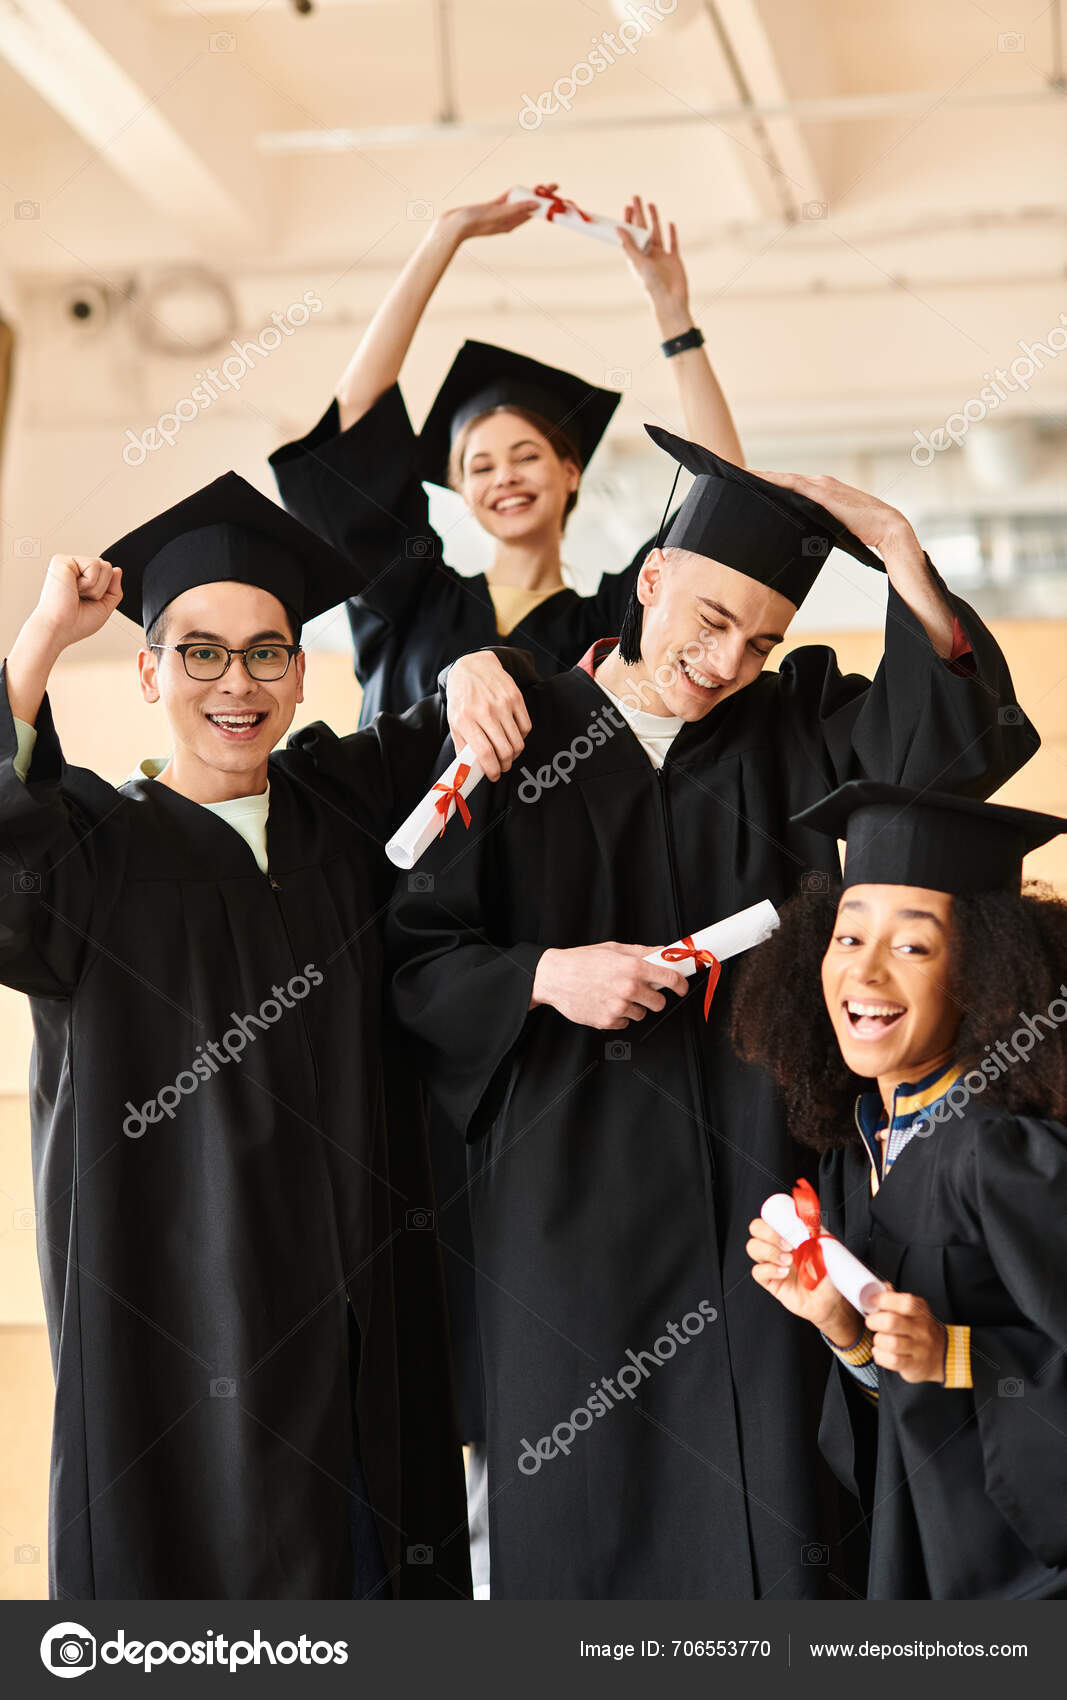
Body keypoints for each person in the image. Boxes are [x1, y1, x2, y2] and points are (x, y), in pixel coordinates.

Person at [384, 424, 1038, 1599]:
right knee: (583, 1507)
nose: (725, 658)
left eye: (760, 638)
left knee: (774, 1507)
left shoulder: (791, 723)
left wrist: (893, 542)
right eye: (707, 620)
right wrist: (542, 974)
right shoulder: (515, 722)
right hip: (565, 1203)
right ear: (649, 578)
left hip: (759, 1188)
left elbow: (951, 751)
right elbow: (416, 959)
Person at [0, 471, 531, 1601]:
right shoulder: (92, 850)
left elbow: (456, 720)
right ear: (147, 671)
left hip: (366, 1327)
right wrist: (41, 639)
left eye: (265, 652)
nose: (234, 681)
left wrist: (473, 659)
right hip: (189, 1342)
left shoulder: (342, 805)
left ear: (299, 671)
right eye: (198, 651)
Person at [737, 781, 1067, 1599]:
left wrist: (959, 1356)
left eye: (913, 947)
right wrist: (843, 1330)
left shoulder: (1004, 1154)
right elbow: (902, 1413)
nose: (865, 970)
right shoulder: (859, 1152)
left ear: (984, 972)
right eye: (846, 937)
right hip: (918, 1560)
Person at [269, 192, 744, 721]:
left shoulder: (612, 621)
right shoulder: (412, 595)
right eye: (481, 467)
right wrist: (444, 237)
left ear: (570, 473)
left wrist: (673, 313)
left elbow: (726, 491)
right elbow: (357, 414)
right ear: (464, 491)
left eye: (525, 457)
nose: (505, 478)